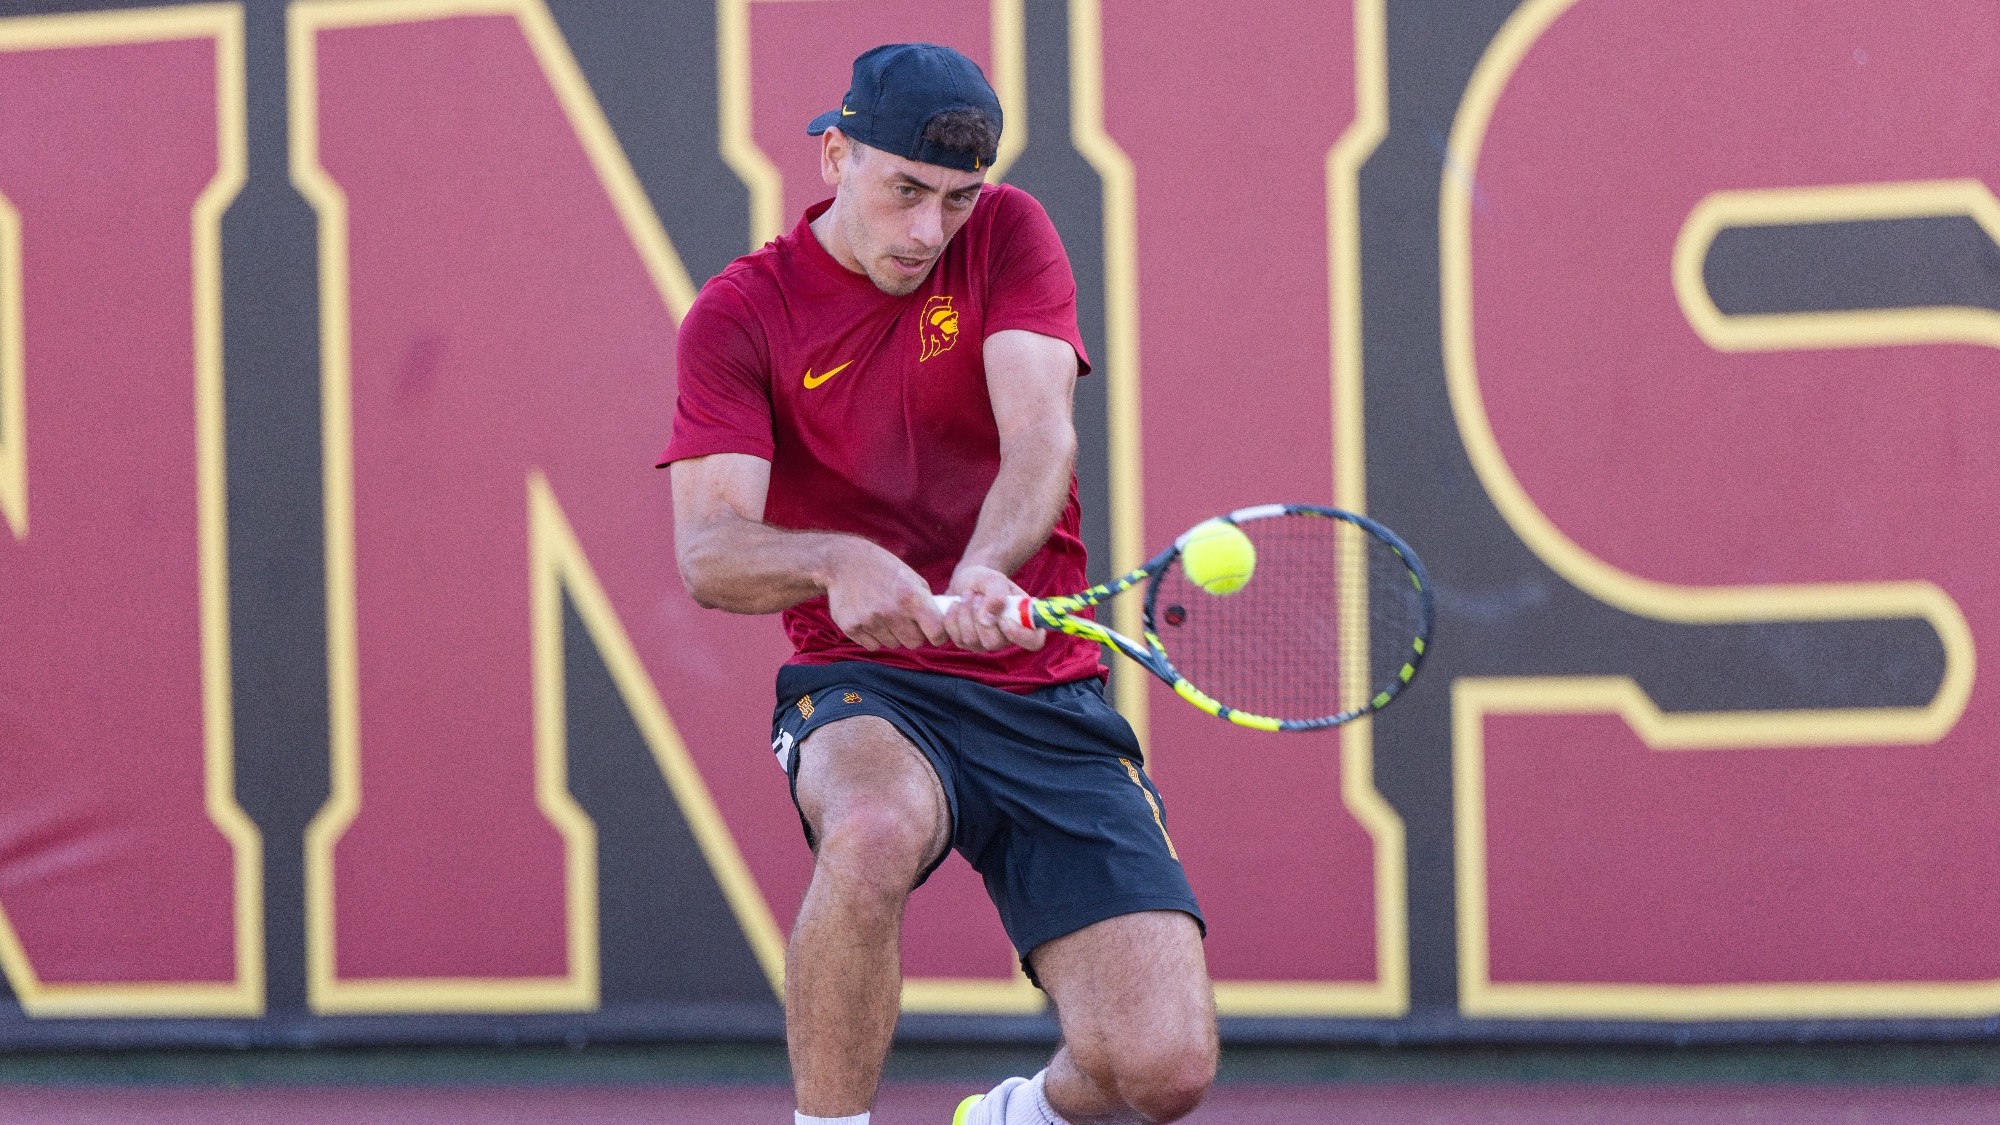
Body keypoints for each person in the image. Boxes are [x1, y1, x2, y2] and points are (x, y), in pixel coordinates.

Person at [661, 42, 1215, 1125]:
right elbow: (708, 554)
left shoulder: (1007, 234)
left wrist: (976, 570)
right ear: (834, 157)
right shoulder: (740, 316)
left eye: (955, 198)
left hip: (1038, 683)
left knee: (1162, 1072)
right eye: (904, 191)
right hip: (865, 685)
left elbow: (1039, 433)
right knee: (869, 828)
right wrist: (831, 558)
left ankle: (1020, 1118)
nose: (928, 232)